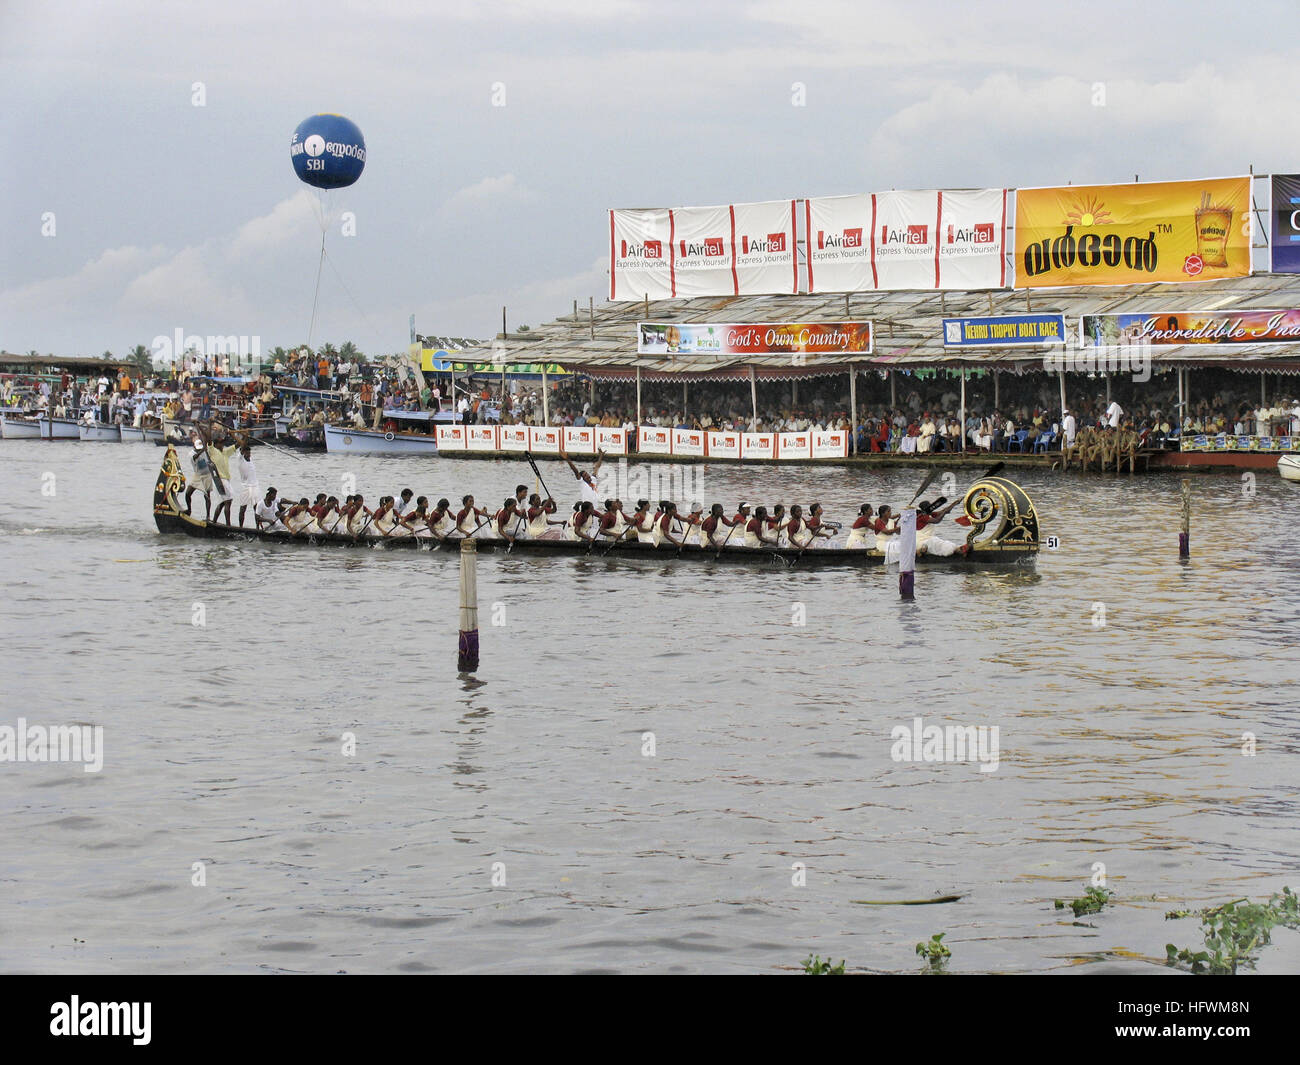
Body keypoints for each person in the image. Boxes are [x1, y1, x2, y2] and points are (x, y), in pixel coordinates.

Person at [234, 436, 258, 527]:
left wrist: (246, 435)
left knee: (256, 508)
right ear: (243, 453)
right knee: (243, 508)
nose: (249, 455)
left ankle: (258, 527)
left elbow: (245, 446)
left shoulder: (251, 460)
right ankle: (241, 527)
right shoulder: (240, 459)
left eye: (249, 453)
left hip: (255, 486)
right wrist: (246, 436)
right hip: (245, 487)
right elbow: (243, 445)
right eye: (247, 453)